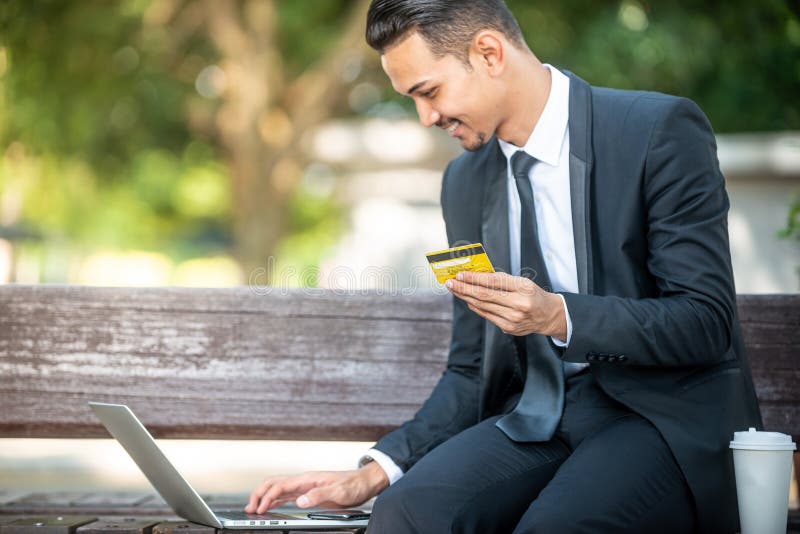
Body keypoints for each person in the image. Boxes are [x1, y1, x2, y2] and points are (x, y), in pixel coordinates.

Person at [245, 1, 762, 532]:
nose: (426, 118)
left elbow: (705, 321)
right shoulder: (465, 182)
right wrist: (376, 470)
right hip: (537, 417)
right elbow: (472, 366)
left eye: (428, 92)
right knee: (409, 513)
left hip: (661, 417)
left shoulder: (656, 130)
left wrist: (558, 317)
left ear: (488, 52)